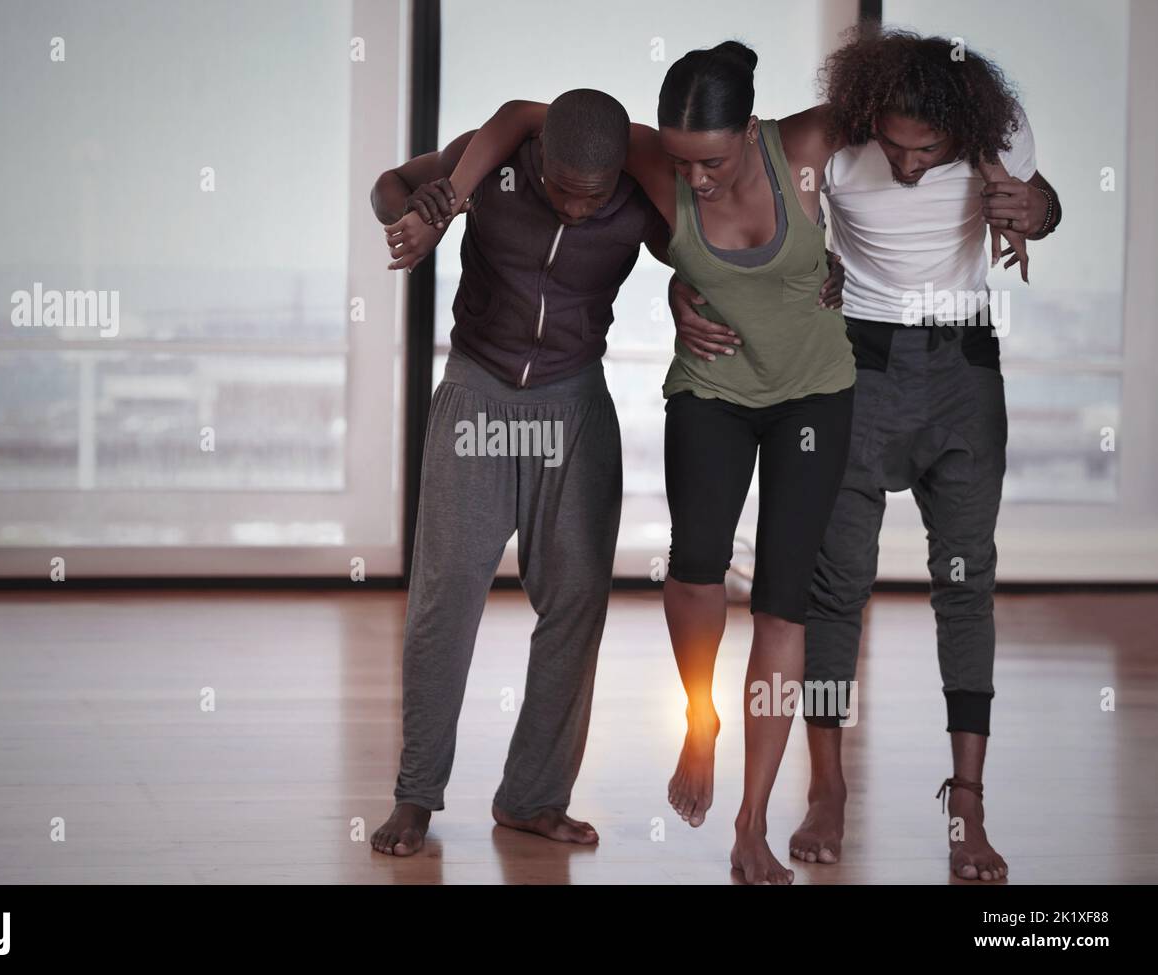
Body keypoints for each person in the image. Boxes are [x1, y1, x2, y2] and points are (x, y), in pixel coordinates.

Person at [428, 40, 862, 884]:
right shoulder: (654, 157)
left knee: (782, 606)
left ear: (749, 129)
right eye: (680, 160)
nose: (692, 181)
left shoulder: (803, 147)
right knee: (696, 565)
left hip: (814, 395)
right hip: (711, 391)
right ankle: (700, 718)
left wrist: (1003, 191)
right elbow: (527, 114)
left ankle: (751, 823)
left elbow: (914, 106)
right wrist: (450, 195)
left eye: (710, 160)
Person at [672, 28, 1062, 882]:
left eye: (930, 152)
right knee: (834, 588)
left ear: (963, 129)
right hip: (860, 370)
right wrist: (688, 288)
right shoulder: (839, 151)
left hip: (964, 371)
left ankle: (967, 804)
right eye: (896, 146)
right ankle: (828, 786)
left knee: (966, 584)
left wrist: (1040, 210)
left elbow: (1041, 203)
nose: (912, 165)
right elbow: (747, 216)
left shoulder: (1001, 134)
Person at [368, 89, 670, 857]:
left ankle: (533, 796)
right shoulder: (492, 156)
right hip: (480, 387)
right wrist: (417, 211)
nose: (575, 209)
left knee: (575, 600)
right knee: (446, 597)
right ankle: (415, 795)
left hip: (573, 401)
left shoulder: (639, 193)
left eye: (591, 197)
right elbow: (389, 184)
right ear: (536, 156)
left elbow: (718, 252)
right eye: (561, 189)